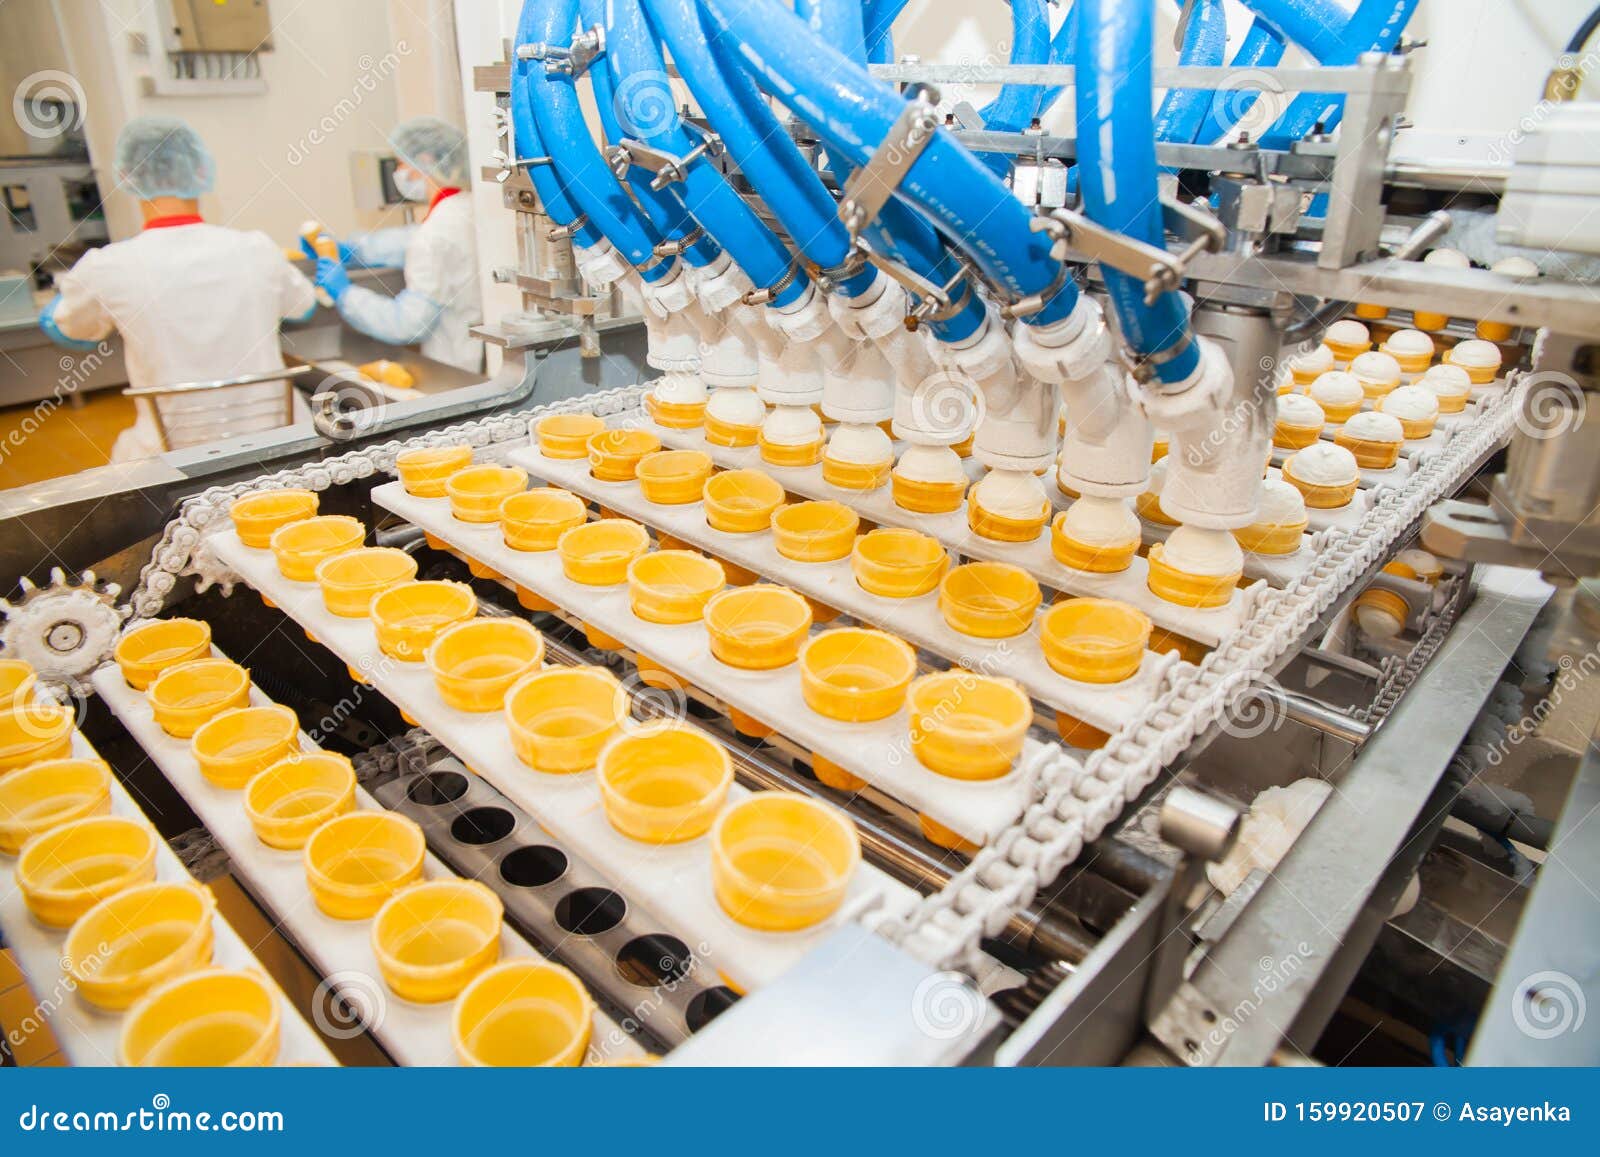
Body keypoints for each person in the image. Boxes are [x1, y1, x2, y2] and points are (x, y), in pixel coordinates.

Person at [41, 116, 317, 461]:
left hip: (172, 457)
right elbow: (303, 306)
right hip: (278, 444)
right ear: (203, 171)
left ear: (125, 176)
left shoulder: (107, 266)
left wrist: (57, 305)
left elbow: (69, 328)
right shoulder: (256, 249)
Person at [312, 116, 483, 373]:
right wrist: (356, 251)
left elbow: (408, 325)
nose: (398, 173)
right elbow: (411, 239)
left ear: (424, 160)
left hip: (455, 365)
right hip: (478, 357)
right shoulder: (467, 207)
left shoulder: (434, 234)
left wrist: (346, 295)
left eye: (401, 163)